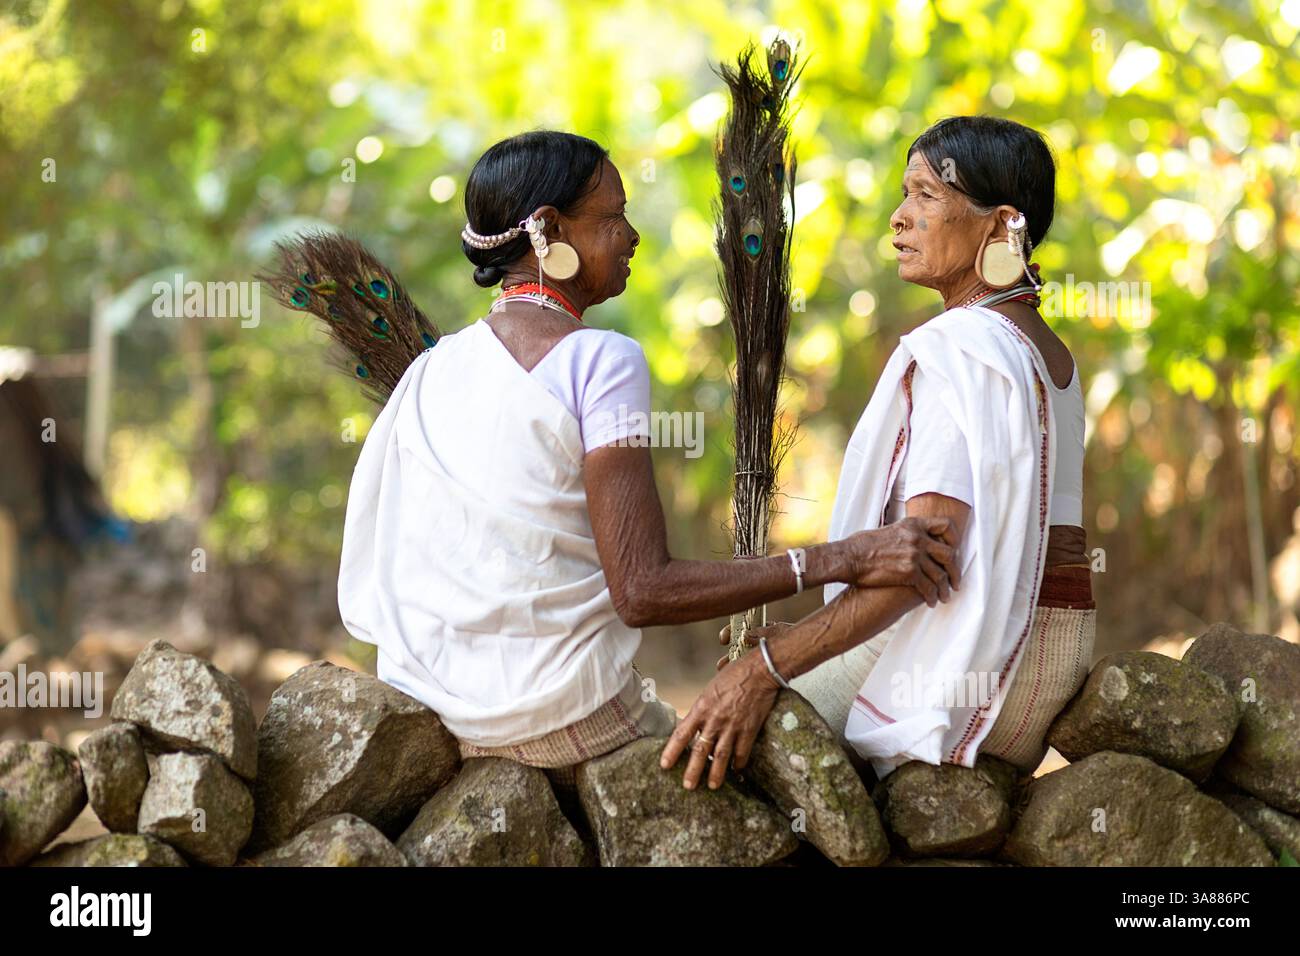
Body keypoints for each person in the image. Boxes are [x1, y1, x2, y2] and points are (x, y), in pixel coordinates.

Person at [334, 130, 960, 792]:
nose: (631, 236)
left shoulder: (431, 370)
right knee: (752, 773)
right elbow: (643, 590)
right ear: (547, 230)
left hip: (440, 711)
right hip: (560, 713)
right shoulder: (602, 360)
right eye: (612, 217)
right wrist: (842, 558)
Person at [662, 116, 1096, 791]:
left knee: (718, 752)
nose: (897, 219)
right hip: (1044, 662)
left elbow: (919, 564)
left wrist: (768, 664)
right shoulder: (1048, 352)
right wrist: (807, 634)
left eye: (925, 196)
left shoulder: (964, 348)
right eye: (904, 195)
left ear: (1002, 225)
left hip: (971, 667)